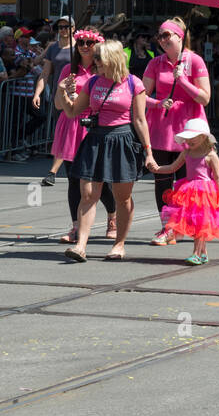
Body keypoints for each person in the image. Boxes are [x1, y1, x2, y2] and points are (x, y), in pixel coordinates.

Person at [60, 41, 153, 262]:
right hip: (95, 140)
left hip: (122, 141)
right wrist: (64, 93)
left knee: (123, 198)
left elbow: (140, 120)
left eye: (100, 60)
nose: (97, 64)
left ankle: (119, 244)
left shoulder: (133, 83)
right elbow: (73, 111)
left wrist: (148, 151)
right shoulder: (93, 82)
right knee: (88, 194)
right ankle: (81, 246)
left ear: (113, 59)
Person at [143, 18, 211, 246]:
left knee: (187, 184)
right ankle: (167, 228)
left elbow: (205, 97)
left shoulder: (195, 60)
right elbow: (142, 95)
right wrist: (158, 103)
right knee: (162, 181)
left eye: (166, 35)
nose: (161, 40)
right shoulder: (155, 63)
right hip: (162, 131)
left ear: (179, 37)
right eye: (159, 36)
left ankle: (182, 226)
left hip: (190, 132)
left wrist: (182, 80)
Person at [51, 29, 118, 243]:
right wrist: (65, 92)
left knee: (100, 181)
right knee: (73, 180)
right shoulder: (68, 71)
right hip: (71, 125)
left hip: (93, 126)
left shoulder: (102, 69)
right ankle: (75, 227)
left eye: (89, 42)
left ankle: (112, 217)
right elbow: (57, 105)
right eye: (80, 41)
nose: (84, 45)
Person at [155, 118, 219, 265]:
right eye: (187, 138)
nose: (189, 141)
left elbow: (218, 178)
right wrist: (157, 169)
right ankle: (203, 254)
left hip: (206, 193)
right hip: (189, 193)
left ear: (203, 137)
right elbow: (172, 167)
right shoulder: (186, 153)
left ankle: (196, 253)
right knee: (196, 223)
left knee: (202, 223)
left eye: (193, 138)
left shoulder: (210, 155)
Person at [36, 17, 74, 185]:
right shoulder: (53, 48)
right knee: (62, 134)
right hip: (59, 97)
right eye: (60, 27)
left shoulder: (80, 45)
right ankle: (65, 170)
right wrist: (38, 93)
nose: (63, 30)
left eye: (66, 26)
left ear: (73, 28)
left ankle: (53, 172)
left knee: (69, 134)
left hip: (77, 96)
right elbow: (45, 73)